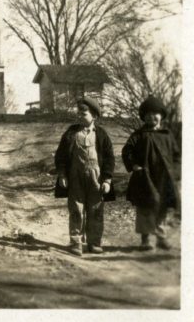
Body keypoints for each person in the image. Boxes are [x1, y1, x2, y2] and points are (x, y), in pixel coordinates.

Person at [54, 96, 115, 256]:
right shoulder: (71, 133)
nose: (80, 116)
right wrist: (62, 175)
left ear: (94, 115)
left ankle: (94, 242)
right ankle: (76, 242)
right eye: (78, 113)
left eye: (84, 113)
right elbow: (60, 155)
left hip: (96, 177)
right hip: (75, 177)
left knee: (95, 209)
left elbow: (109, 158)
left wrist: (107, 179)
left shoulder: (101, 134)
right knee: (76, 209)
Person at [122, 96, 180, 251]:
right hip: (145, 177)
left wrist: (176, 173)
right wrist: (133, 165)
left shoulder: (167, 135)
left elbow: (176, 155)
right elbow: (127, 151)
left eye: (155, 114)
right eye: (147, 114)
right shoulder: (138, 135)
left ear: (161, 116)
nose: (151, 117)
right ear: (143, 117)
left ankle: (161, 238)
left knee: (162, 207)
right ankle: (145, 240)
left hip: (163, 178)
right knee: (145, 207)